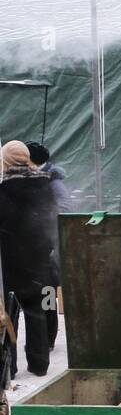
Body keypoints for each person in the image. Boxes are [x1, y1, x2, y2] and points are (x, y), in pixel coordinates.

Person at [0, 141, 59, 376]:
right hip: (39, 261)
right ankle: (39, 364)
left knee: (9, 316)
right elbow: (53, 219)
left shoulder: (3, 190)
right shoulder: (45, 185)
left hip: (10, 263)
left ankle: (9, 368)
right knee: (38, 314)